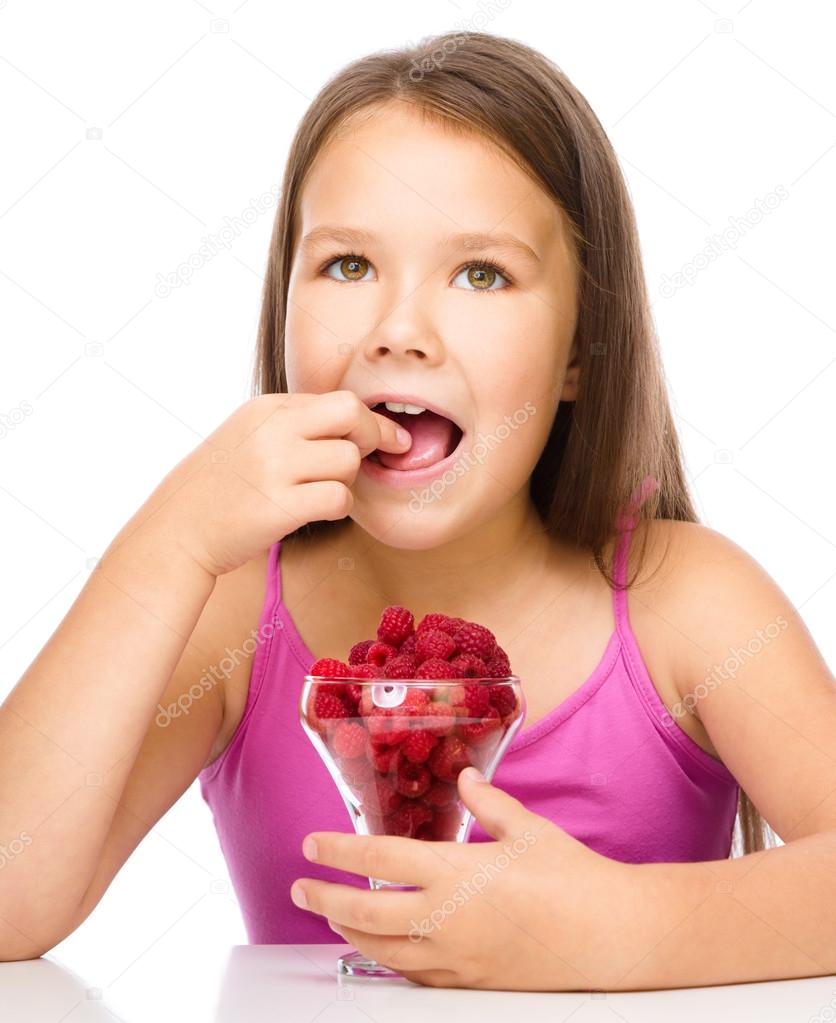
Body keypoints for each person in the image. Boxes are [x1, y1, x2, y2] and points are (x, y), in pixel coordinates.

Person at [3, 31, 835, 992]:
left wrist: (615, 931)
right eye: (349, 264)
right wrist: (169, 540)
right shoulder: (232, 612)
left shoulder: (685, 600)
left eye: (481, 273)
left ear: (580, 352)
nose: (400, 332)